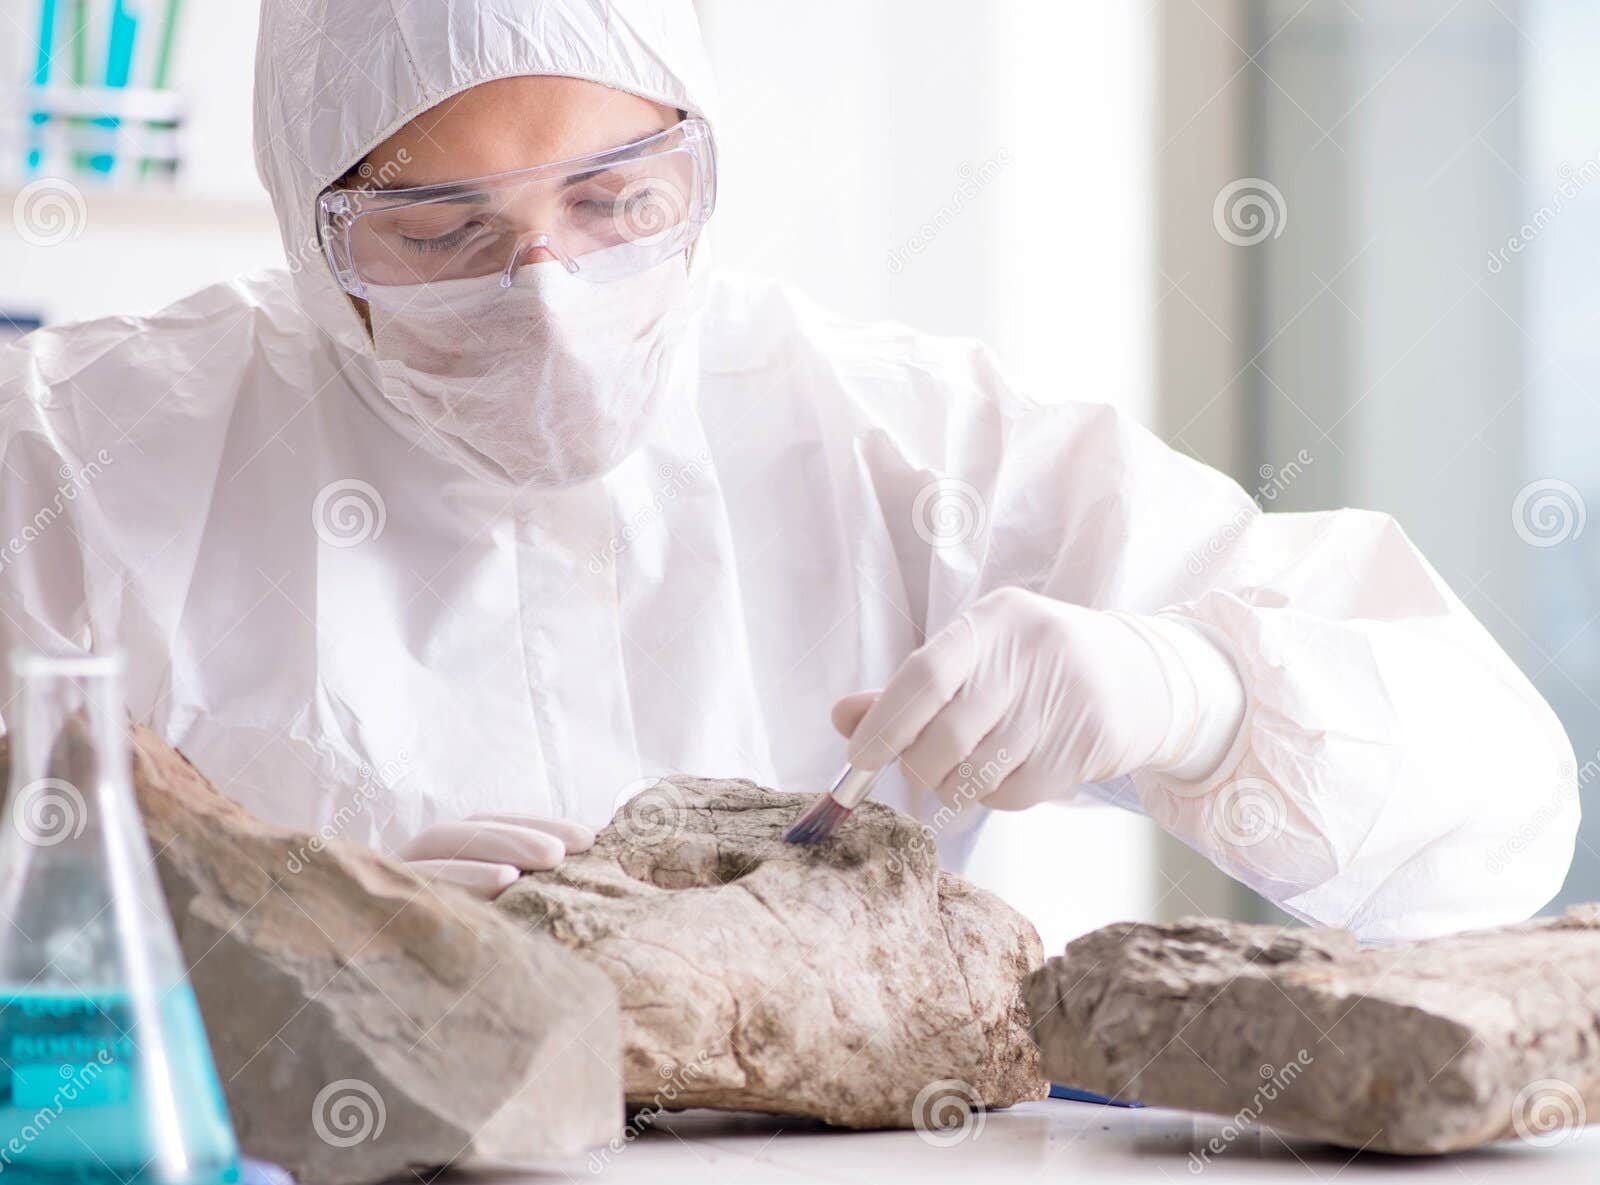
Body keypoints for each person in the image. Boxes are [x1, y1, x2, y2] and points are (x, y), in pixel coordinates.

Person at [0, 0, 1576, 942]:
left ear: (699, 161)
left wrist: (1185, 690)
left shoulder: (901, 439)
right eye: (443, 233)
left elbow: (1497, 807)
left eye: (616, 200)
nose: (547, 294)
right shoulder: (82, 459)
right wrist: (254, 924)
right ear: (312, 228)